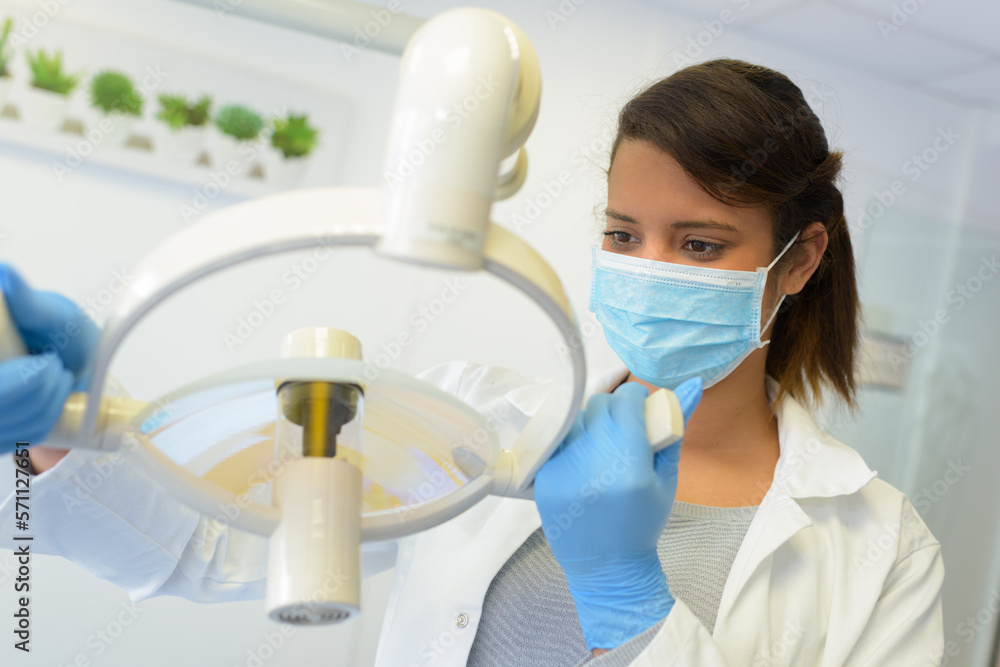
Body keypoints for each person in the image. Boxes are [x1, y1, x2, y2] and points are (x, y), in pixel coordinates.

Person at [1, 58, 943, 666]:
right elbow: (220, 549)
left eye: (699, 245)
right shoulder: (479, 421)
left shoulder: (881, 549)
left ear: (800, 259)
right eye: (623, 234)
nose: (648, 268)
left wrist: (632, 605)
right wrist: (63, 432)